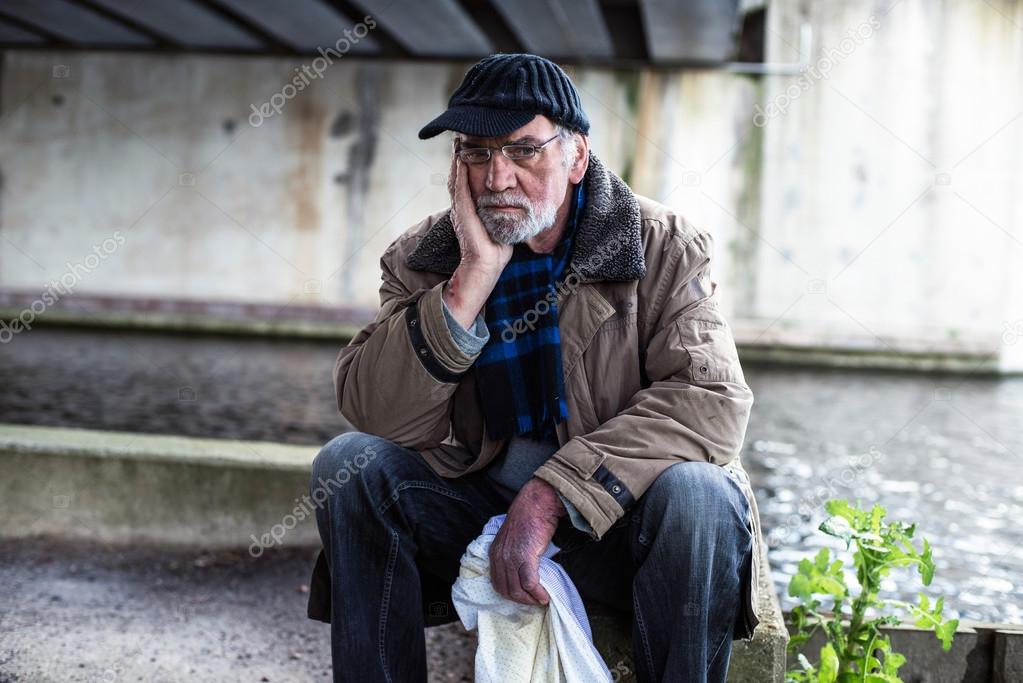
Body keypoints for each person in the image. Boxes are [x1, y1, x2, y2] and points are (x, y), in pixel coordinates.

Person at [306, 53, 764, 683]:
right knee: (348, 465)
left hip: (619, 526)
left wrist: (552, 494)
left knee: (700, 493)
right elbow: (378, 414)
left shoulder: (661, 245)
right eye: (475, 151)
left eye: (523, 151)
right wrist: (469, 282)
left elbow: (710, 401)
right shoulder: (424, 259)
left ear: (576, 158)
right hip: (480, 518)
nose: (496, 177)